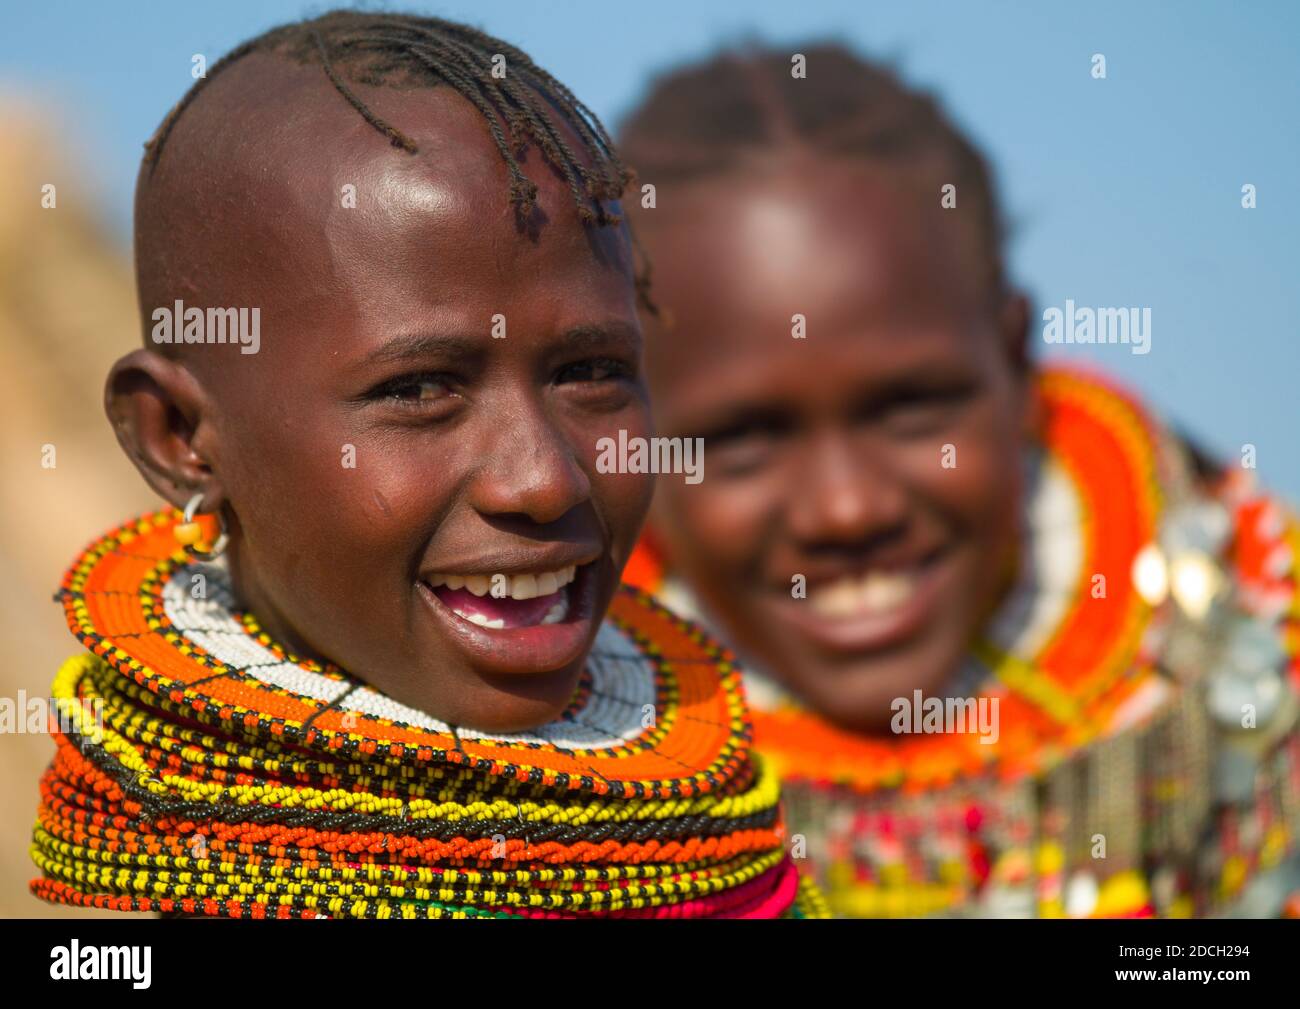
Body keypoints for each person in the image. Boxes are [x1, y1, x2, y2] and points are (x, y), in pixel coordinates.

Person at [28, 11, 826, 920]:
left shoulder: (736, 845)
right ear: (179, 438)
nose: (543, 480)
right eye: (420, 390)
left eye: (592, 372)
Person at [617, 44, 1300, 918]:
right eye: (743, 438)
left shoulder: (1247, 635)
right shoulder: (549, 753)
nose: (847, 507)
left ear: (1017, 364)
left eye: (910, 408)